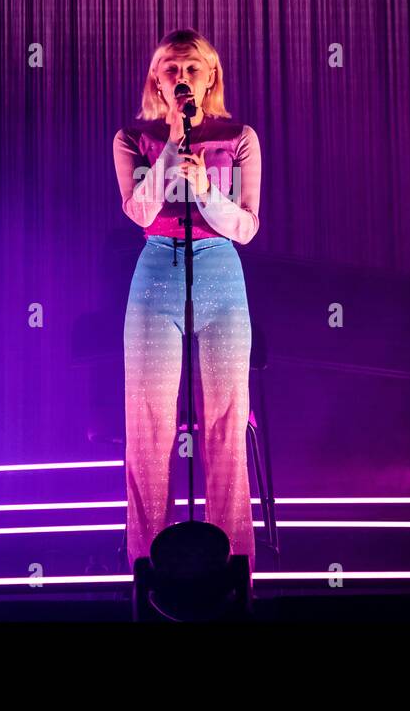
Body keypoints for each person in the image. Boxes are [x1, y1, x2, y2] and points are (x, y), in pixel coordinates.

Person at [111, 28, 262, 573]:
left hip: (220, 268)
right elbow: (139, 213)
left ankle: (232, 561)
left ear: (210, 76)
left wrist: (205, 190)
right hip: (156, 270)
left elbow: (245, 227)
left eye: (192, 69)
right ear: (157, 79)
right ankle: (148, 562)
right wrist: (174, 145)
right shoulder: (133, 136)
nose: (182, 78)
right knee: (148, 421)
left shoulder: (238, 136)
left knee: (226, 417)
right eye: (171, 70)